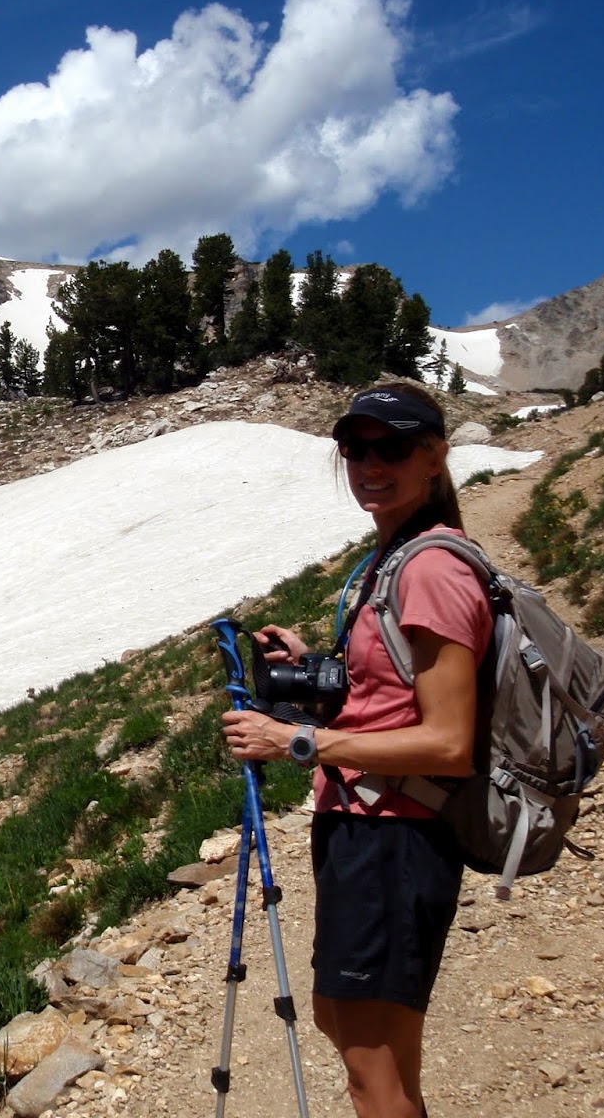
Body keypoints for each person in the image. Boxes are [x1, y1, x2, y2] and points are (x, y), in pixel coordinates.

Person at [220, 381, 490, 1118]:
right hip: (368, 829)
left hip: (394, 835)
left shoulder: (431, 568)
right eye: (356, 448)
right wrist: (316, 668)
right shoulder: (393, 557)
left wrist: (296, 738)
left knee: (373, 1075)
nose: (371, 464)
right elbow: (395, 695)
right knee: (354, 1029)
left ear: (435, 456)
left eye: (394, 447)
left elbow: (448, 742)